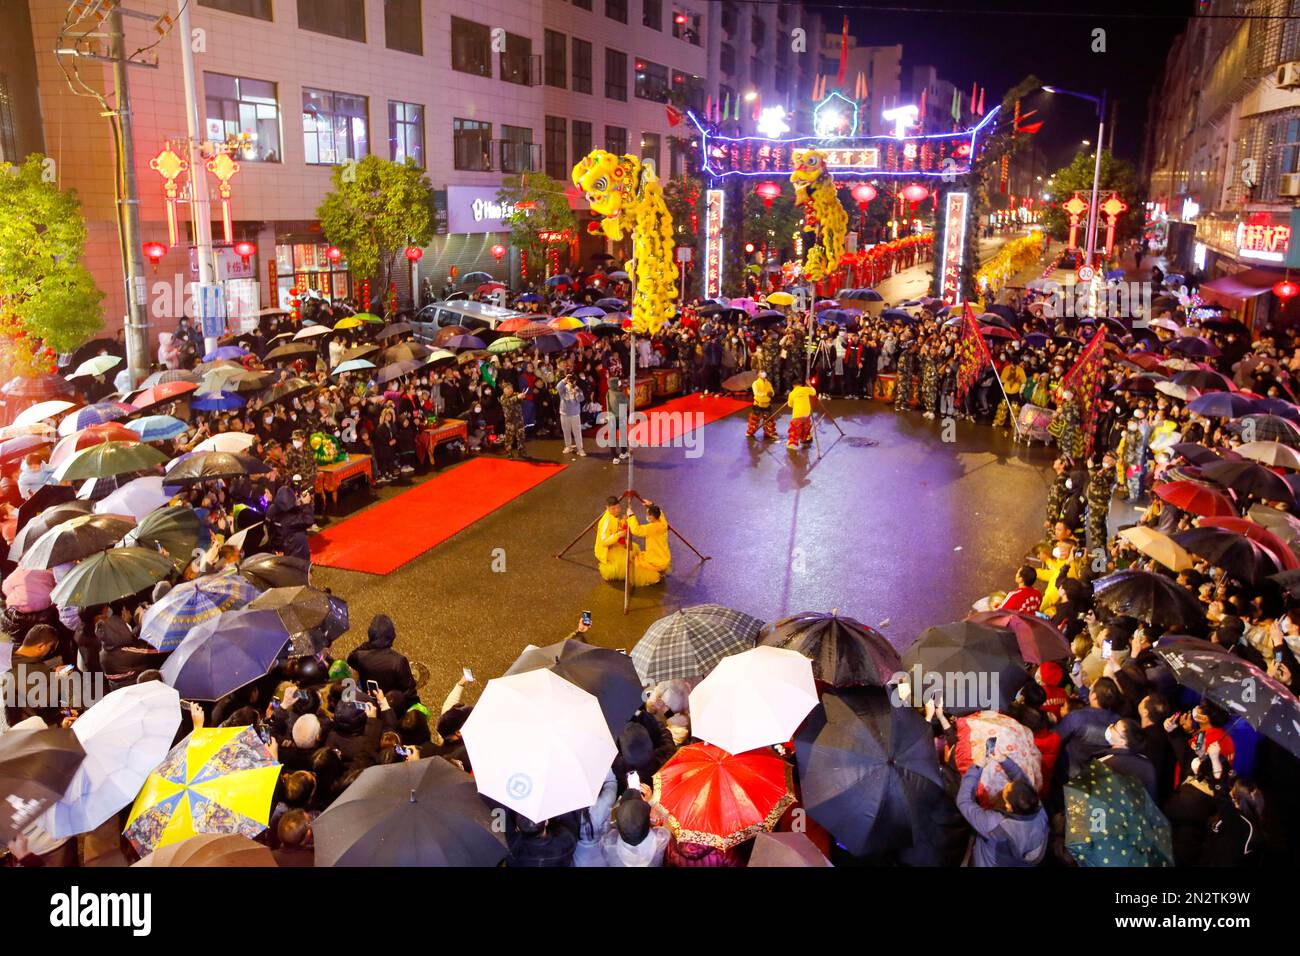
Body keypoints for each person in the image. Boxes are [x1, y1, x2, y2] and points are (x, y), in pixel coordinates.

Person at [955, 745, 1048, 867]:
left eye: (1005, 790)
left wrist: (977, 767)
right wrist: (1004, 760)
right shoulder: (1040, 811)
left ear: (1008, 806)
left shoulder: (995, 824)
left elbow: (964, 801)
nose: (1007, 784)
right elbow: (1023, 784)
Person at [346, 614, 419, 711]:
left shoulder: (359, 657)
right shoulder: (399, 661)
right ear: (392, 636)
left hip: (370, 703)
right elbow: (410, 693)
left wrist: (370, 644)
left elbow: (350, 657)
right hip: (392, 706)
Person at [627, 499, 671, 577]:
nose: (646, 516)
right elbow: (660, 513)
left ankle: (657, 573)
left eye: (648, 514)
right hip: (664, 559)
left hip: (656, 561)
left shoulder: (651, 528)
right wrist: (651, 505)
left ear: (652, 516)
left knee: (635, 563)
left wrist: (631, 516)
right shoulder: (663, 523)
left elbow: (636, 530)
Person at [557, 373, 587, 457]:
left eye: (572, 381)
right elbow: (558, 387)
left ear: (575, 382)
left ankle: (580, 449)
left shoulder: (578, 389)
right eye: (569, 381)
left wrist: (576, 393)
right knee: (566, 431)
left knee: (577, 432)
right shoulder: (563, 388)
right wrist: (565, 379)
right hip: (564, 413)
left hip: (575, 414)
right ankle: (568, 446)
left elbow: (582, 399)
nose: (570, 383)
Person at [786, 377, 818, 451]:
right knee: (805, 428)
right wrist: (809, 385)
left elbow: (790, 405)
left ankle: (792, 443)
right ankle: (805, 439)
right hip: (806, 414)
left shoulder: (792, 393)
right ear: (801, 384)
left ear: (793, 385)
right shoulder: (806, 389)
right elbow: (814, 392)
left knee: (795, 429)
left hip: (797, 415)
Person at [745, 370, 777, 441]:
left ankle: (768, 433)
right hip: (758, 404)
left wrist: (772, 393)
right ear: (758, 375)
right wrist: (766, 394)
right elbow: (756, 393)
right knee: (754, 420)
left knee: (769, 420)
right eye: (761, 373)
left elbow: (772, 392)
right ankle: (750, 432)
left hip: (767, 404)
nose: (763, 374)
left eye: (764, 372)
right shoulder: (755, 383)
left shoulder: (768, 383)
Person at [500, 381, 526, 460]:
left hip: (519, 420)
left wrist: (522, 397)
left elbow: (521, 402)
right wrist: (517, 397)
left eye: (511, 387)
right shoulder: (503, 398)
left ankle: (521, 451)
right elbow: (509, 402)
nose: (510, 389)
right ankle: (509, 452)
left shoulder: (515, 394)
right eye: (507, 388)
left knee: (521, 437)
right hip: (510, 422)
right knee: (509, 439)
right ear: (504, 390)